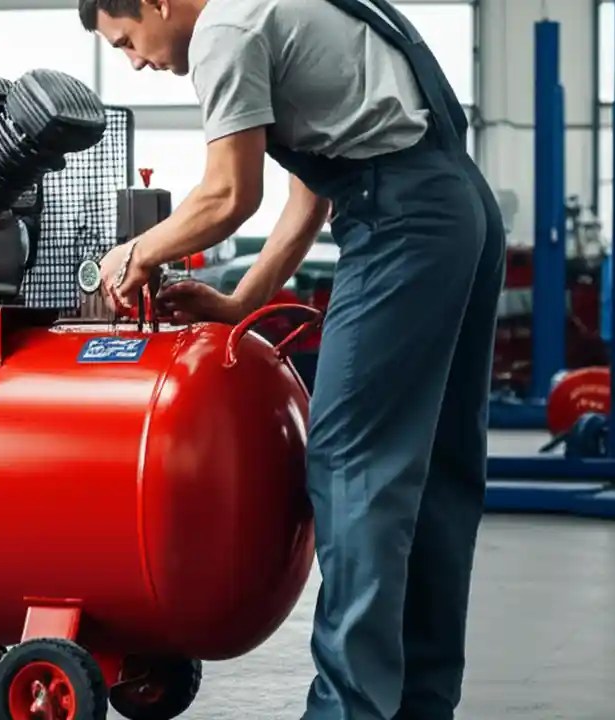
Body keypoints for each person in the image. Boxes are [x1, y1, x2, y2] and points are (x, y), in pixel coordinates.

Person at [80, 0, 506, 718]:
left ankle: (348, 709)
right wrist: (242, 300)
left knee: (351, 466)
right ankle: (420, 702)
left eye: (127, 41)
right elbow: (309, 194)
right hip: (459, 205)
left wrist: (131, 255)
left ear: (155, 2)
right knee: (434, 472)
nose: (137, 62)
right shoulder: (276, 9)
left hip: (403, 221)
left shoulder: (224, 29)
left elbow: (227, 194)